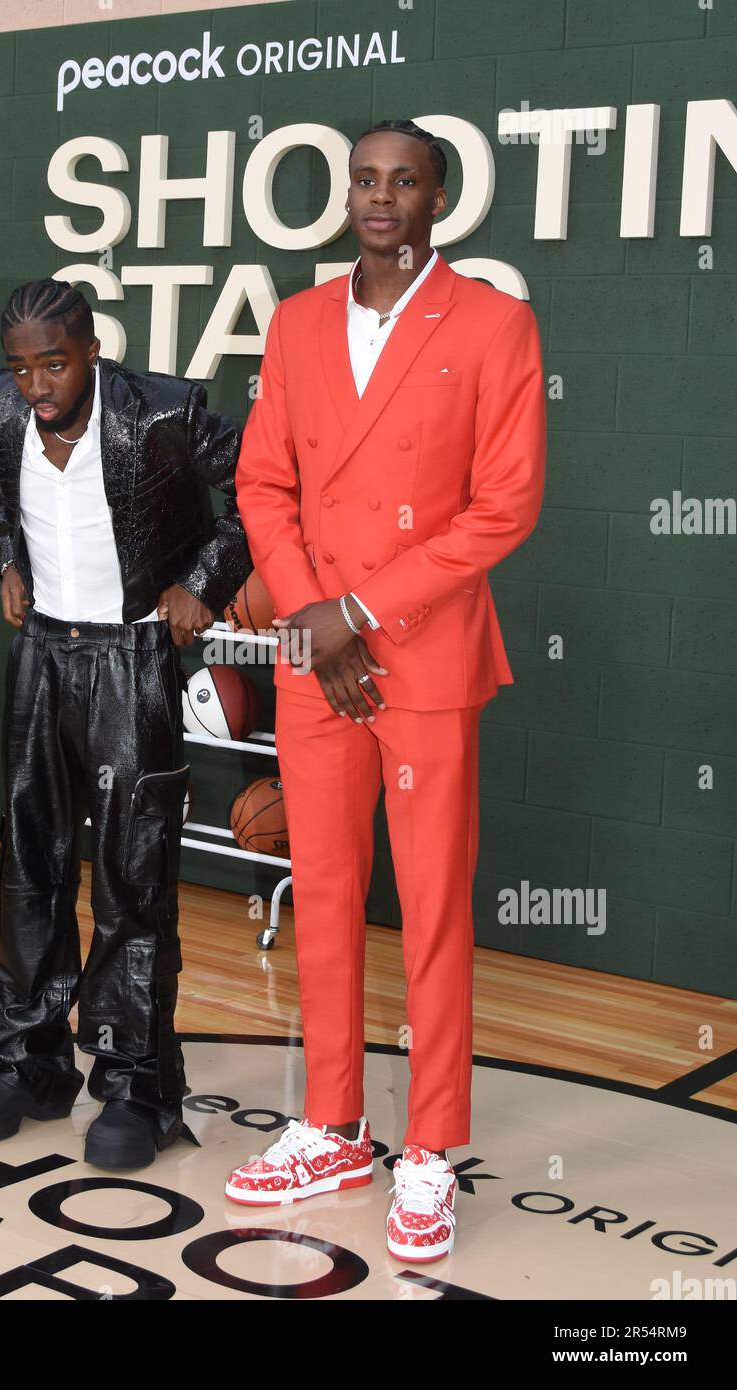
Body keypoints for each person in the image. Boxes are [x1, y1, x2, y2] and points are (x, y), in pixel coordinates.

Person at [228, 120, 546, 1261]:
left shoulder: (497, 324)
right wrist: (318, 615)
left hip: (423, 654)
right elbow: (263, 479)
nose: (379, 198)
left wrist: (355, 612)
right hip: (321, 657)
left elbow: (504, 506)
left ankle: (431, 1147)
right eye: (364, 179)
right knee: (321, 888)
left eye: (402, 181)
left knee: (433, 906)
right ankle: (332, 1123)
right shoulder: (301, 321)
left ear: (438, 199)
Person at [0, 278, 250, 1169]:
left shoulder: (164, 412)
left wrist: (202, 585)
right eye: (22, 366)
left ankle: (137, 1087)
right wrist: (8, 556)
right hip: (41, 655)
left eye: (55, 363)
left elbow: (255, 496)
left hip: (130, 660)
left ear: (91, 352)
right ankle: (25, 1065)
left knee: (131, 875)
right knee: (27, 866)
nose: (36, 384)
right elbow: (10, 495)